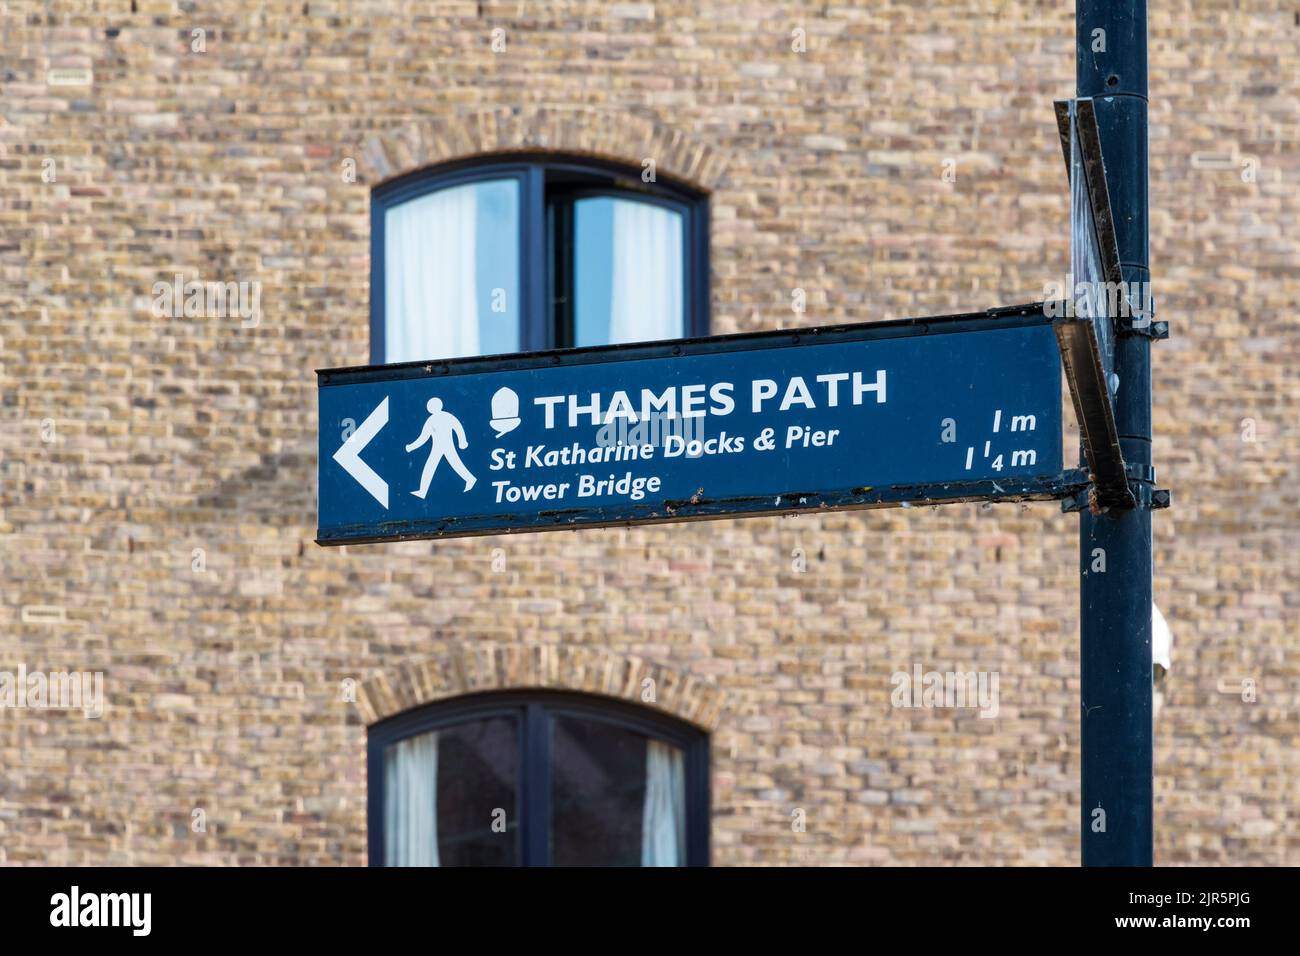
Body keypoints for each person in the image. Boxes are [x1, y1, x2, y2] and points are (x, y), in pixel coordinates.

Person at [406, 397, 476, 497]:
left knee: (453, 465)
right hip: (438, 448)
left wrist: (462, 441)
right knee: (433, 466)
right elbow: (423, 437)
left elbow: (458, 427)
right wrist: (411, 447)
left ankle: (470, 479)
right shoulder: (432, 420)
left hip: (447, 446)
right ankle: (422, 491)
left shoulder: (445, 417)